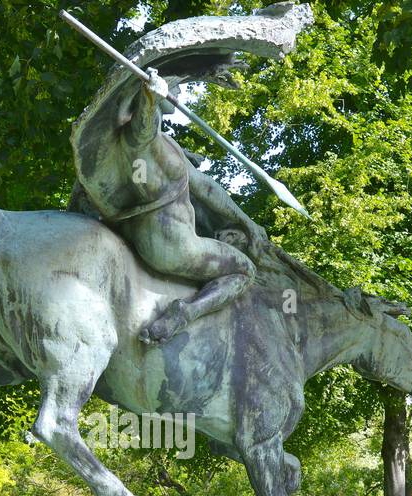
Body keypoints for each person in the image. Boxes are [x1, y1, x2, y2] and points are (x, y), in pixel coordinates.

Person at [71, 67, 271, 344]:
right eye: (174, 88)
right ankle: (184, 313)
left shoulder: (156, 143)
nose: (177, 94)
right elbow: (205, 187)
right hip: (170, 244)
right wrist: (249, 223)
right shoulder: (142, 135)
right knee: (244, 270)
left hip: (139, 233)